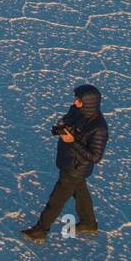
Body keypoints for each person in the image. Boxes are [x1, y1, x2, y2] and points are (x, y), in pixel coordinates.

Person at [23, 84, 109, 241]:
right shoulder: (78, 111)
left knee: (56, 199)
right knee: (80, 191)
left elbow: (95, 157)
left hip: (75, 168)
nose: (75, 103)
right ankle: (89, 223)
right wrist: (62, 124)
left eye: (79, 100)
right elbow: (69, 117)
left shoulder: (99, 128)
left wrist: (72, 141)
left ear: (89, 103)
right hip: (68, 161)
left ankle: (40, 230)